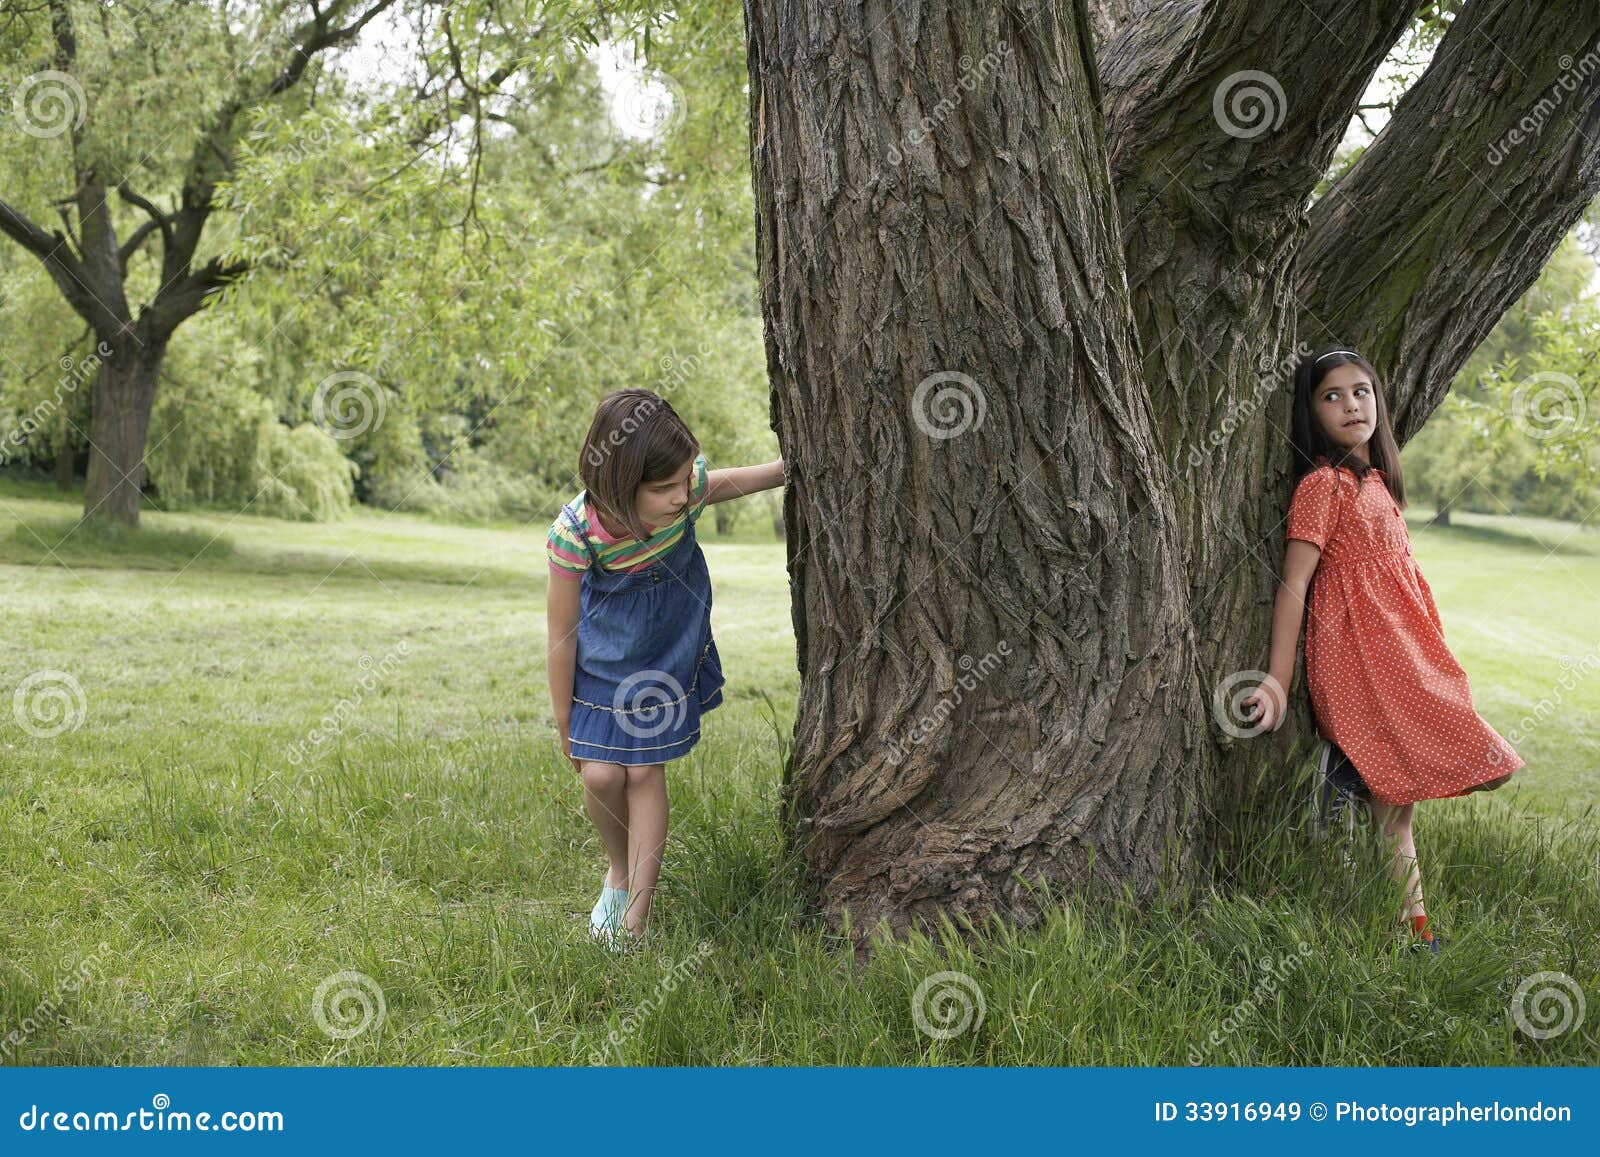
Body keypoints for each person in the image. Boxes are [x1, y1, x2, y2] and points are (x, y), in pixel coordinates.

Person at [1242, 347, 1521, 952]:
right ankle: (1341, 901)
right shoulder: (1324, 486)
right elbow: (1295, 585)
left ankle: (1413, 929)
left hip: (1405, 652)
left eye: (1361, 391)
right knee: (1381, 800)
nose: (1350, 404)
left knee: (1399, 810)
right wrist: (1277, 678)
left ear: (1379, 402)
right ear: (1311, 412)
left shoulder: (1380, 484)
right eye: (1332, 396)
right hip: (1360, 660)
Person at [546, 388, 784, 949]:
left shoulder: (684, 488)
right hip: (603, 665)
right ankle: (619, 872)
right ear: (616, 485)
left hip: (666, 652)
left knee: (644, 771)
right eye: (664, 488)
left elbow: (722, 483)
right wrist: (564, 723)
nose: (683, 497)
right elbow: (561, 634)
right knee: (601, 775)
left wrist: (780, 472)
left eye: (684, 482)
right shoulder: (576, 534)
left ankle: (635, 919)